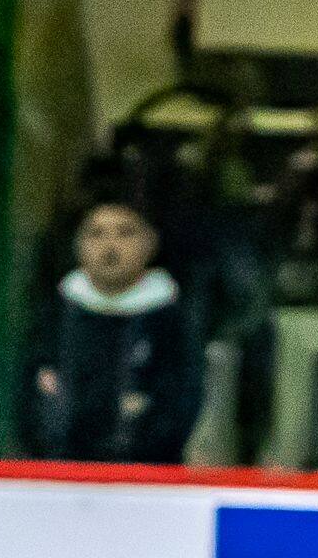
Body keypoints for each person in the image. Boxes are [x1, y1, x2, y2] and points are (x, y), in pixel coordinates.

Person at [17, 194, 204, 464]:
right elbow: (29, 401)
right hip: (59, 477)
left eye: (125, 233)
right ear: (78, 245)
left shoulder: (170, 319)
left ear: (150, 243)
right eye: (96, 234)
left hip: (146, 479)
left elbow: (180, 406)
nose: (110, 246)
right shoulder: (56, 314)